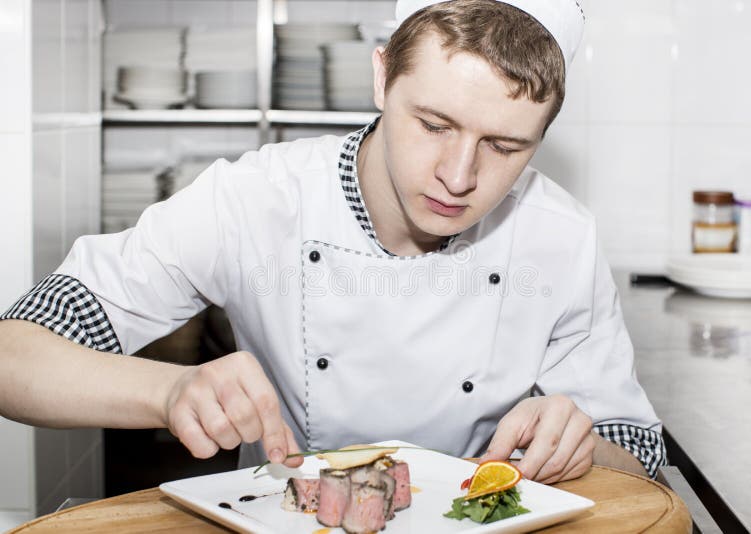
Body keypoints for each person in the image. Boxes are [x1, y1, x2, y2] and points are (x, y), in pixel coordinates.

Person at [0, 0, 666, 484]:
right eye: (433, 124)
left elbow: (634, 444)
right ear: (381, 79)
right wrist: (168, 392)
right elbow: (13, 356)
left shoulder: (561, 234)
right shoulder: (256, 200)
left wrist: (581, 446)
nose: (459, 177)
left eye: (504, 146)